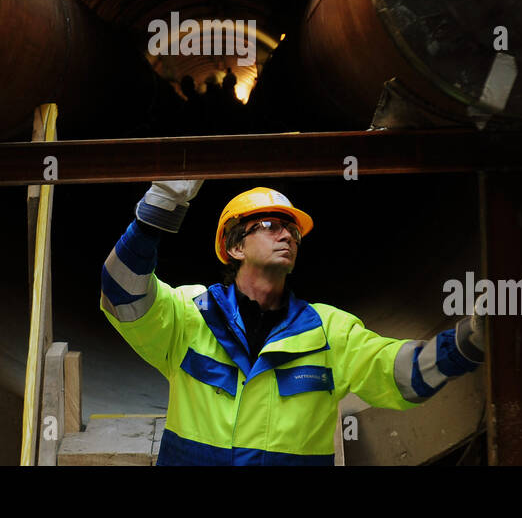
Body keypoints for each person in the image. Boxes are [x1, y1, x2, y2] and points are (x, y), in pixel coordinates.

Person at [99, 179, 486, 465]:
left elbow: (399, 372)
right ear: (235, 247)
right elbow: (121, 293)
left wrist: (467, 341)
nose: (287, 234)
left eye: (293, 230)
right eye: (270, 226)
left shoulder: (329, 331)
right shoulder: (190, 315)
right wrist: (157, 210)